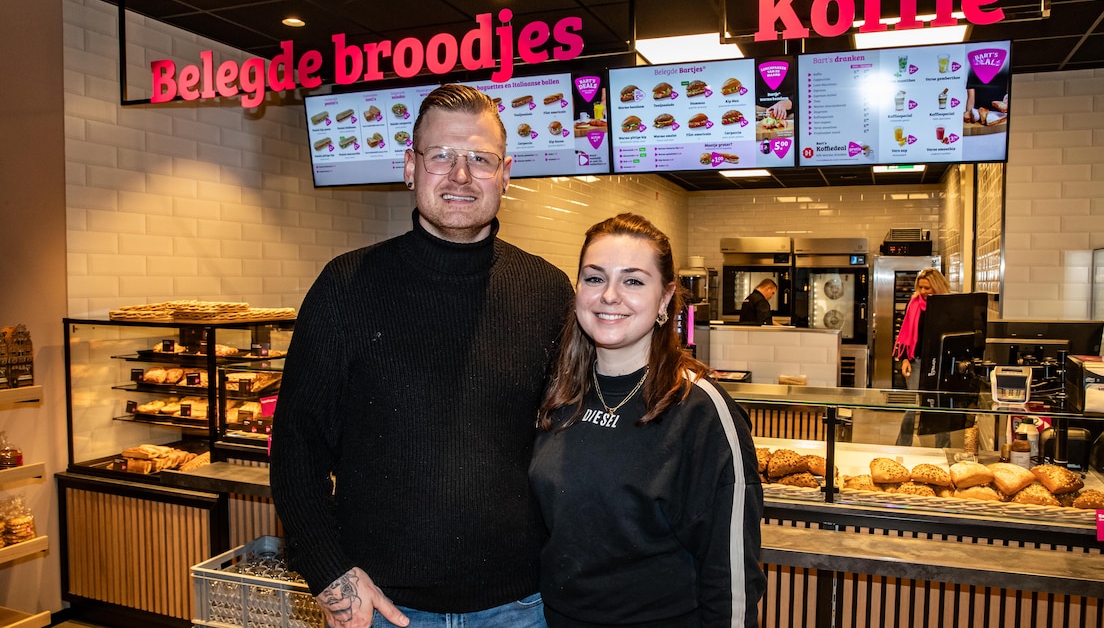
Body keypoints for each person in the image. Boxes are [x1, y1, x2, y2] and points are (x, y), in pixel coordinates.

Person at [270, 84, 573, 628]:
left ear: (506, 174)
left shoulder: (547, 290)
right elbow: (296, 446)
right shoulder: (345, 286)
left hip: (522, 607)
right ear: (411, 167)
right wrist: (327, 572)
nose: (461, 175)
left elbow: (577, 439)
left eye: (480, 159)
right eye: (442, 156)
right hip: (384, 608)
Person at [530, 213, 766, 627]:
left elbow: (731, 577)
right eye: (595, 278)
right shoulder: (559, 393)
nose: (609, 296)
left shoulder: (700, 410)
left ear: (664, 298)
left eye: (633, 281)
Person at [892, 267, 952, 447]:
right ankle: (902, 447)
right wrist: (904, 359)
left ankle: (943, 449)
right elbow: (904, 335)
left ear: (937, 286)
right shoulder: (913, 305)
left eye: (927, 288)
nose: (923, 291)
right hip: (916, 361)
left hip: (940, 364)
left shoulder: (947, 307)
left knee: (940, 408)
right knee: (912, 407)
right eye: (921, 287)